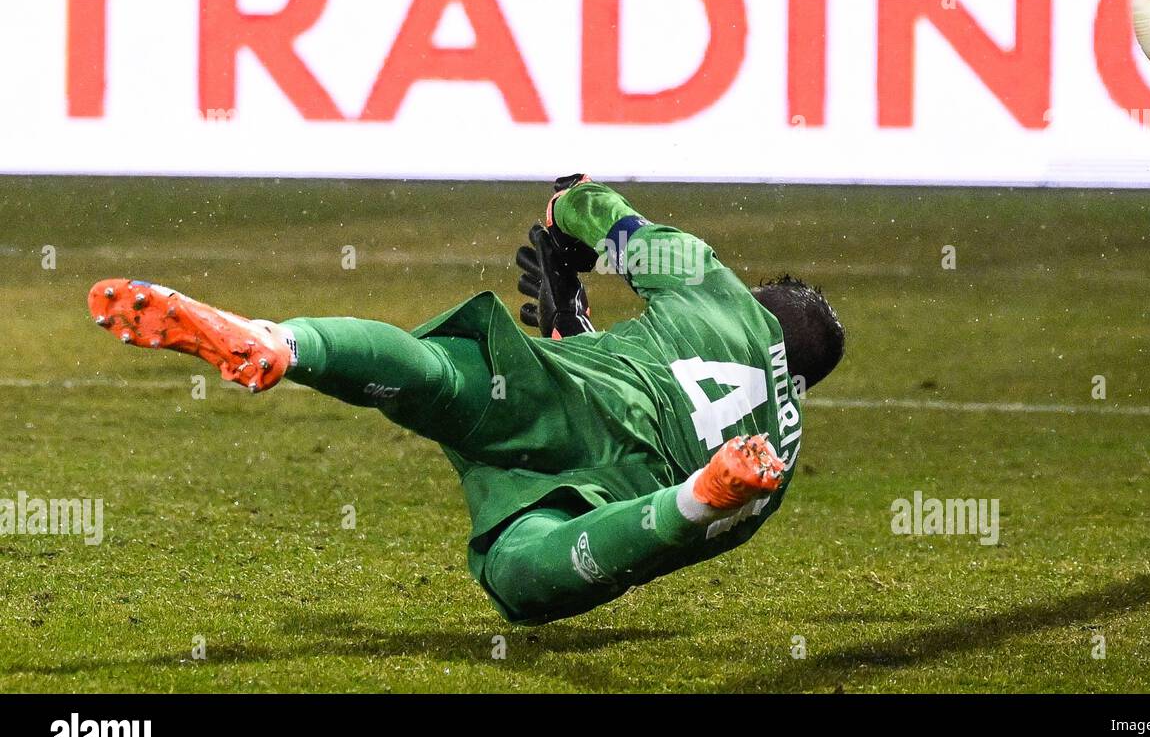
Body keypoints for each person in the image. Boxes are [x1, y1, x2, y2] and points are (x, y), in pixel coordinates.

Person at [88, 177, 844, 624]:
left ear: (757, 300)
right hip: (614, 500)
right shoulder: (781, 446)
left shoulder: (714, 291)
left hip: (554, 400)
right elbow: (653, 538)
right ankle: (691, 496)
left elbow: (598, 211)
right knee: (521, 578)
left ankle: (284, 344)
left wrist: (566, 211)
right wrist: (571, 331)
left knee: (432, 375)